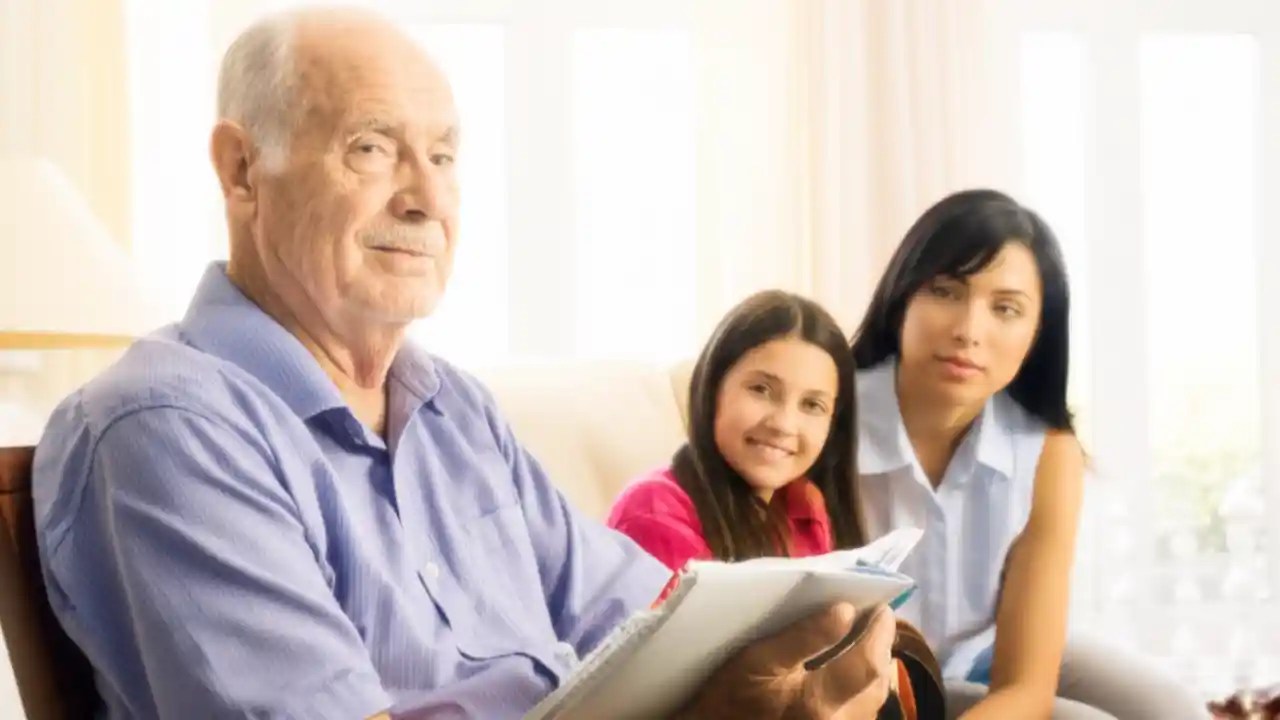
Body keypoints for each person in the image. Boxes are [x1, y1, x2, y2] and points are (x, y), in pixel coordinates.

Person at [31, 7, 895, 720]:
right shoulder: (169, 426)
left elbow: (660, 625)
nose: (427, 197)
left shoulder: (455, 411)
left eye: (443, 156)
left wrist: (796, 661)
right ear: (242, 169)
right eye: (371, 147)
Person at [850, 189, 1204, 719]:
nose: (970, 330)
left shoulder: (1048, 451)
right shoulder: (829, 416)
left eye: (1006, 309)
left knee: (1173, 709)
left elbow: (1025, 686)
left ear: (1038, 331)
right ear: (902, 297)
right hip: (876, 680)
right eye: (945, 292)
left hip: (983, 656)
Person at [607, 290, 862, 570]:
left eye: (812, 404)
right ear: (712, 386)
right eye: (761, 389)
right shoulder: (653, 510)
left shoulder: (803, 504)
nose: (783, 424)